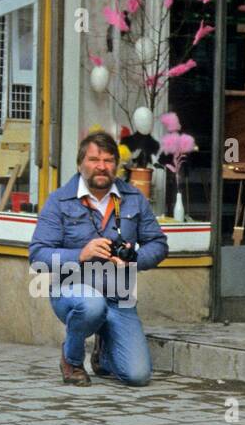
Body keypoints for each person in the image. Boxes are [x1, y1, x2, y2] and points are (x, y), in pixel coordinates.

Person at [29, 131, 168, 387]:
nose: (101, 166)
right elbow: (37, 254)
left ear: (117, 164)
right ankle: (71, 361)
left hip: (119, 297)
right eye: (94, 159)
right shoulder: (59, 200)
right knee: (92, 305)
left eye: (108, 160)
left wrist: (134, 258)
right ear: (80, 163)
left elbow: (159, 244)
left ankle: (103, 354)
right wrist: (80, 254)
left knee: (137, 376)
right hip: (71, 291)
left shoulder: (134, 199)